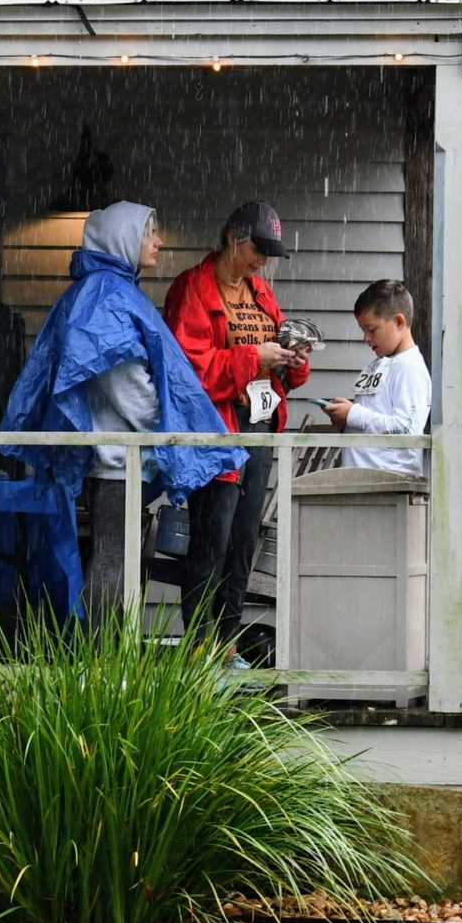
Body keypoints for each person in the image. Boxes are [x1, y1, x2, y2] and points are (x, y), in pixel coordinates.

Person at [0, 201, 244, 624]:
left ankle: (102, 657)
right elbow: (123, 381)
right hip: (118, 460)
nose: (159, 241)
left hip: (118, 455)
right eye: (150, 233)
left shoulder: (105, 291)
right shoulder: (106, 297)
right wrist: (168, 429)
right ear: (123, 240)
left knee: (117, 554)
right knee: (116, 556)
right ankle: (100, 662)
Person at [164, 201, 311, 667]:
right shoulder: (192, 288)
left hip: (260, 423)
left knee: (244, 537)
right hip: (218, 430)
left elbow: (276, 351)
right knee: (213, 538)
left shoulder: (260, 293)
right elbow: (189, 370)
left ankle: (225, 645)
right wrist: (255, 359)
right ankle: (196, 647)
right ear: (234, 239)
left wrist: (293, 358)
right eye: (258, 250)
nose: (263, 262)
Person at [326, 280, 431, 478]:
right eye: (363, 331)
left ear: (399, 322)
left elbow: (408, 429)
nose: (366, 338)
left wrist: (354, 414)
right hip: (364, 481)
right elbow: (376, 415)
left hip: (390, 482)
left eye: (372, 330)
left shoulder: (409, 368)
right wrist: (346, 420)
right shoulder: (381, 363)